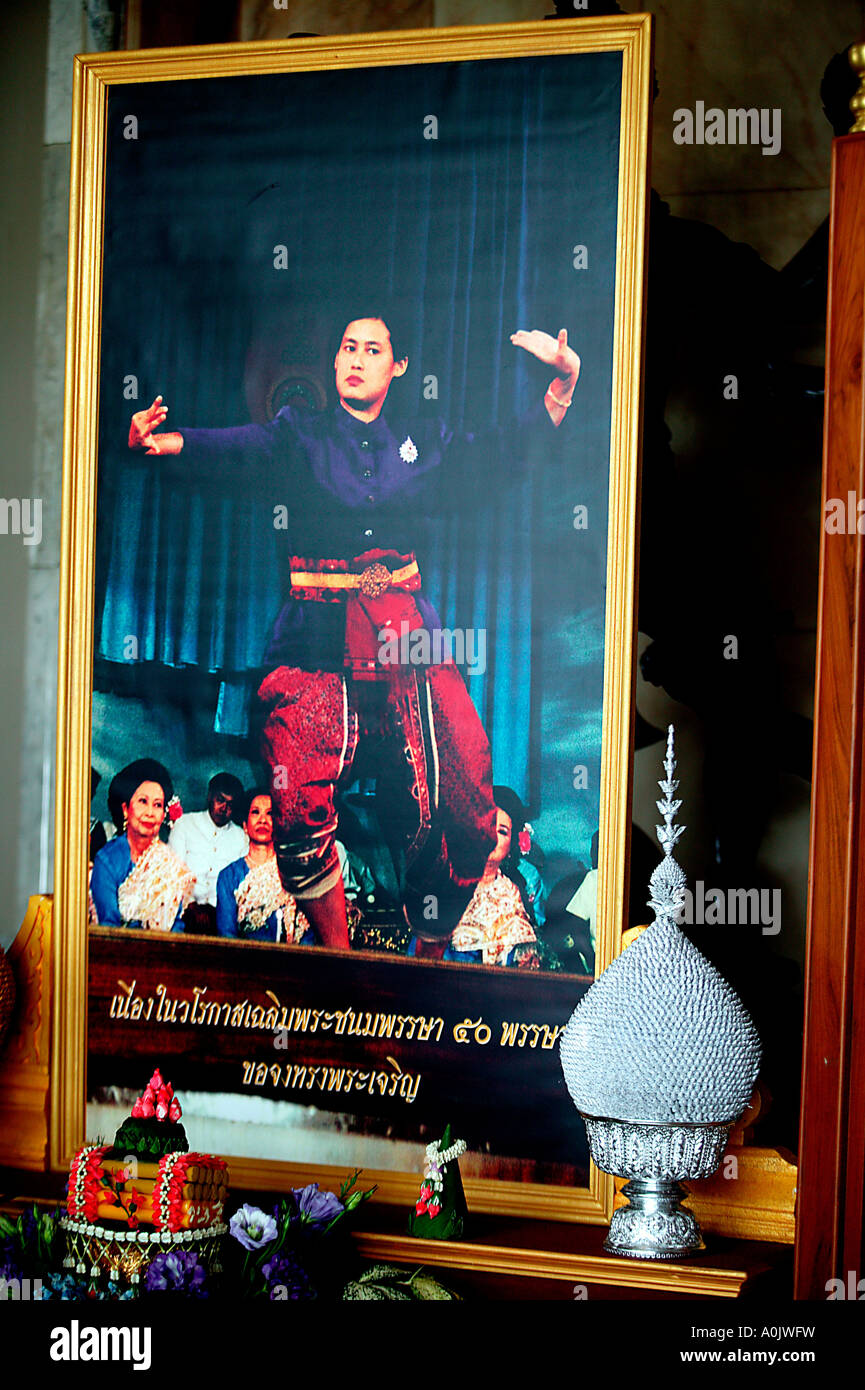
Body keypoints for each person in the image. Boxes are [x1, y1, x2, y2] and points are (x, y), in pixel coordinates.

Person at [128, 309, 580, 951]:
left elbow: (498, 457)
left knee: (466, 776)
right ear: (335, 362)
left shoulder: (426, 442)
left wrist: (559, 390)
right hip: (315, 635)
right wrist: (164, 443)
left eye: (373, 349)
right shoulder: (299, 436)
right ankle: (341, 960)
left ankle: (426, 952)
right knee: (298, 788)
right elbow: (238, 450)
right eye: (347, 348)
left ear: (397, 367)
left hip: (409, 637)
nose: (357, 358)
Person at [410, 789, 541, 968]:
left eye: (502, 832)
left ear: (511, 846)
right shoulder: (444, 886)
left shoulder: (513, 894)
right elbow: (420, 956)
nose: (492, 837)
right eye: (486, 828)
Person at [90, 759, 195, 932]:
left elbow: (175, 927)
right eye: (142, 802)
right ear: (125, 809)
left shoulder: (171, 865)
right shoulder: (107, 860)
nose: (149, 813)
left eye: (157, 805)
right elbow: (108, 925)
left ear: (163, 815)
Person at [216, 790, 313, 944]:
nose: (263, 820)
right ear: (245, 826)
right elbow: (227, 935)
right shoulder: (229, 876)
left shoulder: (293, 871)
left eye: (270, 814)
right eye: (255, 812)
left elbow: (307, 934)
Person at [168, 772, 247, 933]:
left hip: (222, 919)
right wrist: (190, 905)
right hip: (181, 913)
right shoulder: (184, 825)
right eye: (220, 800)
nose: (224, 808)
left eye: (231, 805)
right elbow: (172, 874)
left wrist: (219, 913)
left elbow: (241, 886)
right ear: (209, 796)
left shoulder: (242, 838)